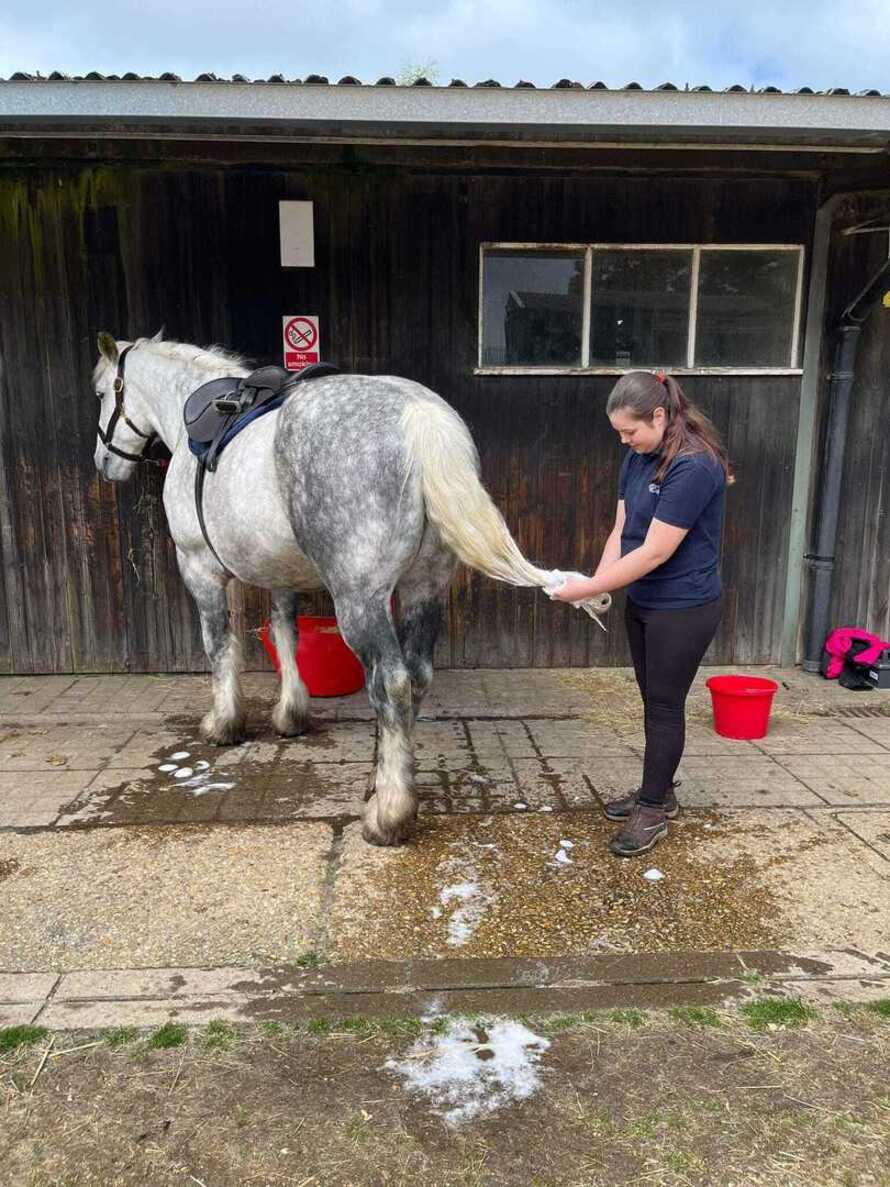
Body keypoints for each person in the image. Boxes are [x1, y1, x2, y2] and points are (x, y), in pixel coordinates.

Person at [551, 370, 732, 857]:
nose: (625, 440)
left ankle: (652, 808)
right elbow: (622, 529)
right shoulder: (638, 456)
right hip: (646, 601)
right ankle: (660, 791)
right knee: (654, 701)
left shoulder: (694, 466)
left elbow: (655, 551)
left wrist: (585, 588)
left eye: (630, 431)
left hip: (685, 605)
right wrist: (596, 586)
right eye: (619, 433)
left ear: (659, 415)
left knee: (666, 705)